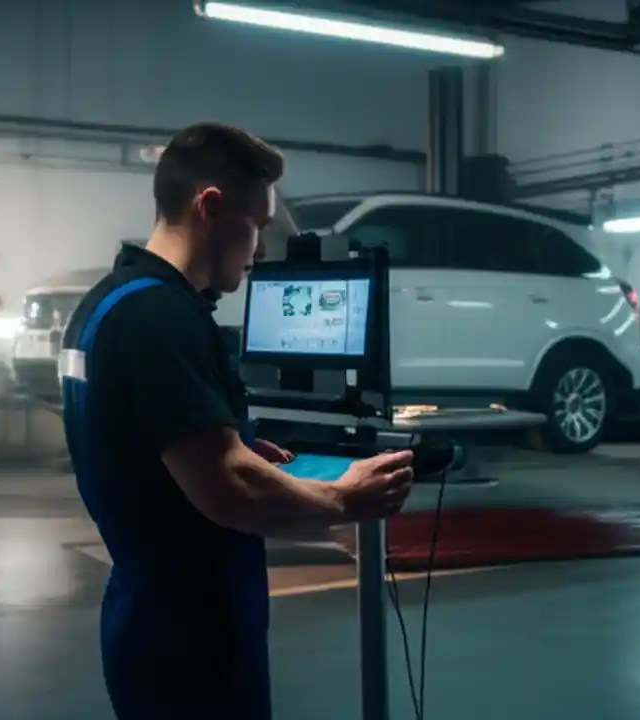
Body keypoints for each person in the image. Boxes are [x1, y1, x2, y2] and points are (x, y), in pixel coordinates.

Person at [59, 122, 415, 719]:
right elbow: (229, 490)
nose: (260, 250)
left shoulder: (105, 303)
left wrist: (238, 443)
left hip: (145, 610)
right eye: (255, 226)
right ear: (211, 206)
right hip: (192, 634)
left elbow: (147, 444)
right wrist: (342, 498)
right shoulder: (161, 318)